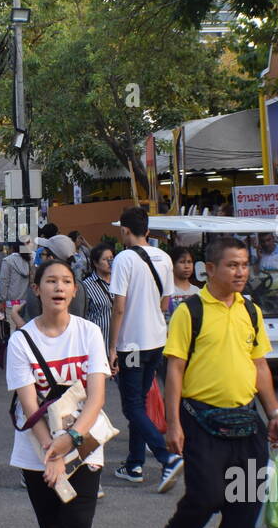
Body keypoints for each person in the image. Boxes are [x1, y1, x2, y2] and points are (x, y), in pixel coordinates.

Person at [155, 236, 278, 528]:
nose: (240, 272)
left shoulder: (251, 311)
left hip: (246, 420)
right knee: (207, 495)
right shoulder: (190, 312)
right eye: (232, 265)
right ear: (209, 269)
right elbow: (175, 369)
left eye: (244, 265)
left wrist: (274, 412)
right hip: (200, 420)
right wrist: (173, 423)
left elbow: (259, 366)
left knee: (244, 502)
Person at [7, 258, 110, 528]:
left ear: (74, 289)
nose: (59, 287)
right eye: (51, 281)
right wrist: (51, 454)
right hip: (37, 450)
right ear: (37, 289)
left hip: (84, 446)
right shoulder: (21, 340)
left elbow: (96, 397)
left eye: (67, 281)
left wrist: (71, 445)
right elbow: (29, 407)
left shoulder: (89, 333)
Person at [109, 206, 185, 492]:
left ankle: (166, 457)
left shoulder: (124, 259)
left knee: (132, 407)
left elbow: (119, 307)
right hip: (157, 340)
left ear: (125, 231)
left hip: (132, 343)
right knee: (138, 403)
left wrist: (112, 347)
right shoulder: (164, 257)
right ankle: (134, 464)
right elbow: (166, 303)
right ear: (148, 230)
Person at [81, 244, 115, 358]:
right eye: (105, 259)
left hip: (122, 344)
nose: (110, 262)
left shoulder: (119, 280)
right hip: (99, 343)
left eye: (112, 258)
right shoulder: (87, 286)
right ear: (95, 263)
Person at [0, 243, 33, 331]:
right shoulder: (28, 260)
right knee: (25, 330)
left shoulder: (7, 260)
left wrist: (1, 300)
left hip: (11, 302)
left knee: (12, 331)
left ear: (12, 248)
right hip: (25, 301)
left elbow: (4, 281)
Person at [162, 246, 201, 318]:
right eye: (182, 262)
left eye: (189, 262)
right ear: (172, 265)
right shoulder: (166, 291)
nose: (187, 266)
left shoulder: (197, 292)